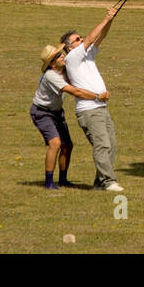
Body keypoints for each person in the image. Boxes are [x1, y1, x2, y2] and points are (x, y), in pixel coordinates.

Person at [61, 3, 124, 192]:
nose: (81, 40)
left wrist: (110, 20)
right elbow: (90, 39)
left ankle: (99, 183)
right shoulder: (72, 58)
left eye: (80, 38)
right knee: (101, 144)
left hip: (100, 107)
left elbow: (100, 37)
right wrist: (105, 18)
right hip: (89, 110)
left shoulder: (86, 55)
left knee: (110, 145)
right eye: (77, 39)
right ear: (69, 47)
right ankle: (108, 181)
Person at [31, 44, 109, 190]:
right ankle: (49, 181)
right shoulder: (51, 76)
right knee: (55, 143)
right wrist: (97, 96)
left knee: (67, 145)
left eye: (61, 53)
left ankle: (63, 180)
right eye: (58, 56)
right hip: (42, 112)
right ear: (52, 64)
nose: (62, 56)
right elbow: (74, 91)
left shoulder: (64, 70)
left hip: (57, 112)